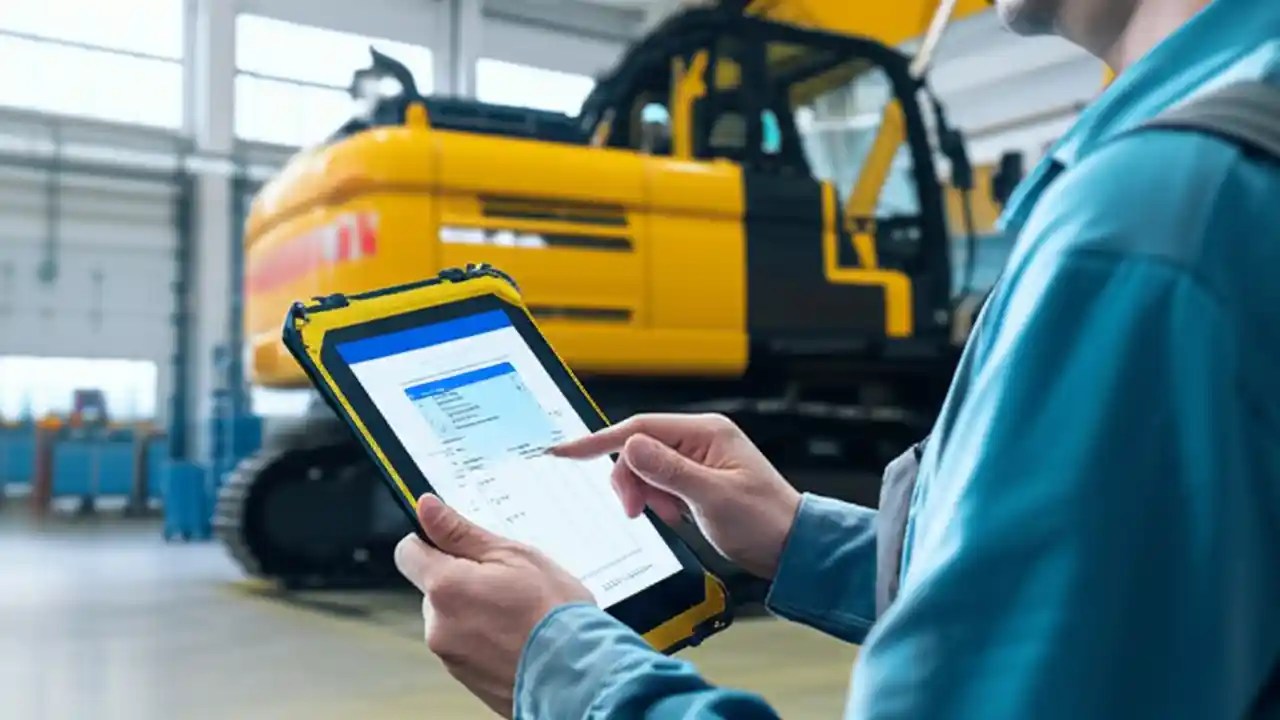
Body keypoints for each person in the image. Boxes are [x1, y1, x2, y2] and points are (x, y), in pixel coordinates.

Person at [392, 0, 1280, 715]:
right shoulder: (1227, 154)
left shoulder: (1149, 227)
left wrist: (565, 674)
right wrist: (805, 539)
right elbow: (1135, 609)